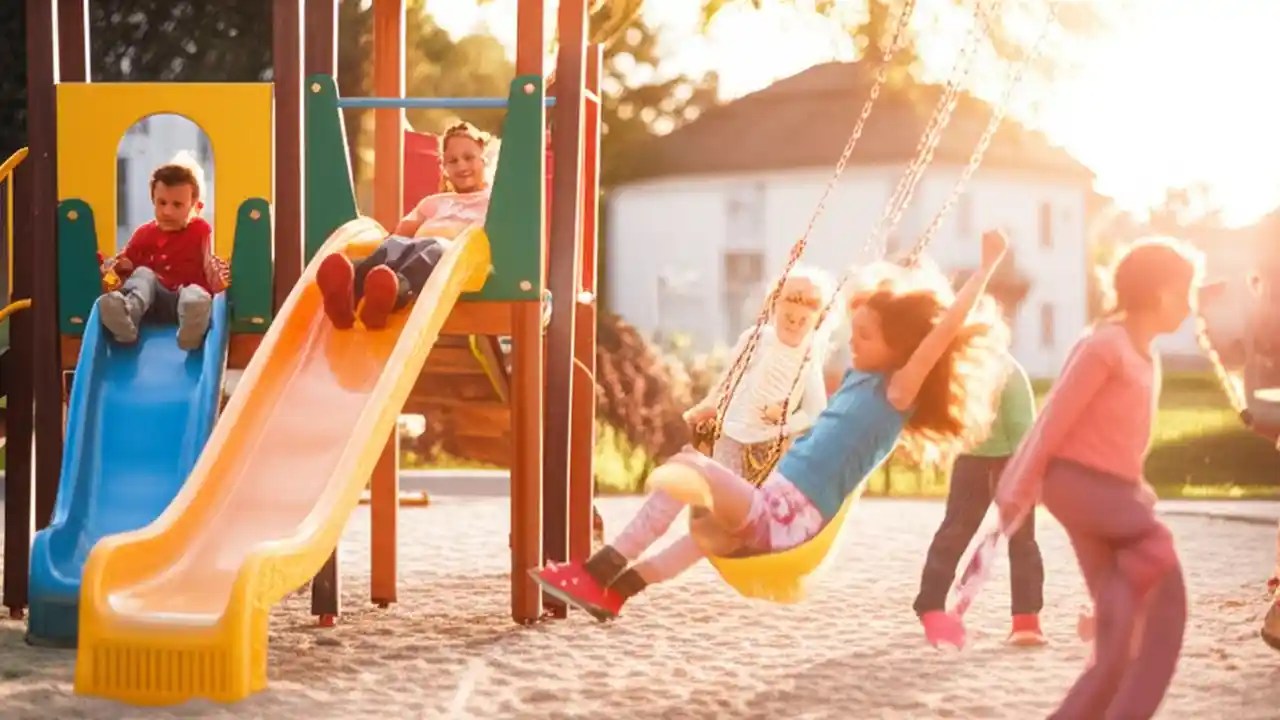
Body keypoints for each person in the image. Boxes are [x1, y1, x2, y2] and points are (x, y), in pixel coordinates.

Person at [532, 230, 1012, 621]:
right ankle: (616, 592)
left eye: (866, 336)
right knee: (702, 535)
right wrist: (792, 267)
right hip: (773, 503)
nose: (854, 343)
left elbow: (943, 332)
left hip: (788, 518)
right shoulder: (857, 377)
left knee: (690, 468)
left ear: (901, 348)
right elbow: (809, 319)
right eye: (855, 332)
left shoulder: (895, 394)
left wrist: (986, 266)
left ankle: (595, 574)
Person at [993, 238, 1201, 720]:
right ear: (1159, 292)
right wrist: (1016, 489)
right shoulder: (1106, 345)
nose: (1189, 306)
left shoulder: (1143, 353)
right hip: (1083, 488)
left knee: (1121, 642)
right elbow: (1054, 418)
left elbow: (1121, 443)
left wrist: (1137, 491)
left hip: (1108, 492)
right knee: (1165, 589)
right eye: (1184, 292)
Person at [559, 270, 836, 603]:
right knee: (673, 493)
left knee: (709, 534)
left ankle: (623, 584)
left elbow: (816, 412)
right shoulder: (755, 338)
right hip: (724, 438)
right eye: (790, 301)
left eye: (808, 307)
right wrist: (705, 408)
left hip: (758, 458)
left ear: (819, 317)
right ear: (774, 303)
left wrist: (783, 423)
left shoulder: (808, 356)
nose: (796, 314)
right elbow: (727, 383)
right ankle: (602, 571)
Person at [913, 346, 1045, 647]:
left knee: (1022, 539)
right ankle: (931, 606)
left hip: (1013, 459)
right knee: (954, 532)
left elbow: (1023, 428)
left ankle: (1026, 620)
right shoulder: (954, 368)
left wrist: (1028, 474)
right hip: (971, 459)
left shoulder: (1009, 373)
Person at [317, 121, 493, 330]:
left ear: (484, 159)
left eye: (469, 158)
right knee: (394, 245)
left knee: (435, 249)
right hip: (420, 249)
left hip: (459, 262)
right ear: (444, 168)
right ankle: (348, 296)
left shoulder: (493, 201)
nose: (461, 166)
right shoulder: (433, 202)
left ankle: (393, 295)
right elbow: (400, 232)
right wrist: (388, 245)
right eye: (452, 161)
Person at [98, 154, 226, 351]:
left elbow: (209, 267)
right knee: (143, 274)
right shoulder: (143, 234)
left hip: (183, 303)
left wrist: (219, 284)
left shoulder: (199, 231)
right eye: (161, 203)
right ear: (153, 201)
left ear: (195, 207)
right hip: (148, 306)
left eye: (177, 205)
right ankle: (126, 318)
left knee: (194, 294)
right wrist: (118, 269)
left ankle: (192, 329)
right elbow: (125, 269)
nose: (167, 211)